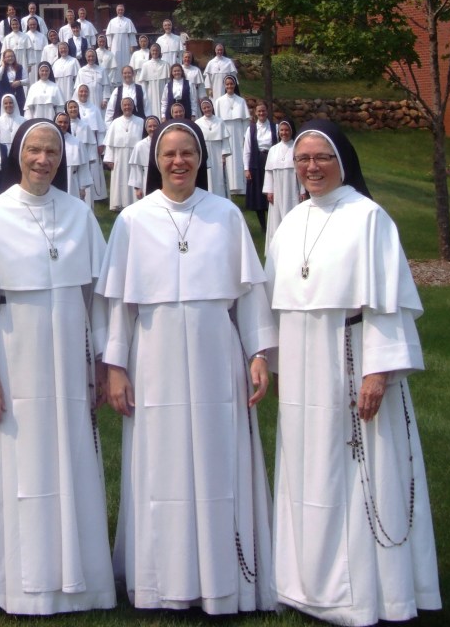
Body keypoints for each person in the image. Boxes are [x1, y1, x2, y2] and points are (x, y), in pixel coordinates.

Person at [98, 119, 278, 614]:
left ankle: (225, 580)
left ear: (201, 159)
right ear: (155, 162)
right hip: (152, 355)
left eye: (188, 154)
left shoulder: (225, 215)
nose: (179, 162)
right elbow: (119, 305)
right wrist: (115, 366)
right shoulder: (133, 220)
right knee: (160, 463)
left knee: (220, 461)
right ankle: (160, 582)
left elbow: (249, 295)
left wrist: (258, 353)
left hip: (216, 351)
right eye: (169, 154)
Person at [266, 120, 441, 626]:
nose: (312, 167)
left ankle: (370, 594)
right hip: (303, 365)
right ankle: (306, 585)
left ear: (343, 162)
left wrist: (377, 372)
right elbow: (276, 301)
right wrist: (274, 362)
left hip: (351, 358)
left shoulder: (370, 218)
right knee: (308, 471)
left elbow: (387, 302)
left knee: (363, 468)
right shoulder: (291, 220)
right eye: (303, 159)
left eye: (322, 158)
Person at [0, 121, 116, 615]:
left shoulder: (80, 215)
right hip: (14, 358)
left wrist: (103, 364)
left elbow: (96, 297)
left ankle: (81, 579)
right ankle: (19, 582)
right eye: (34, 150)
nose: (43, 160)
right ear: (19, 154)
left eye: (52, 152)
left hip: (70, 356)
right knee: (19, 464)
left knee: (73, 457)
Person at [262, 119, 303, 254]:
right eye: (282, 130)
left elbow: (301, 172)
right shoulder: (273, 149)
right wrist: (269, 190)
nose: (284, 133)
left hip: (292, 189)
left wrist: (302, 190)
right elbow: (269, 172)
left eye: (287, 130)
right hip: (277, 189)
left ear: (291, 131)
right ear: (278, 132)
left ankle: (294, 248)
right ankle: (276, 250)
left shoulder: (297, 148)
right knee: (276, 219)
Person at [103, 95, 143, 211]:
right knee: (119, 181)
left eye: (129, 104)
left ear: (133, 106)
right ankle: (118, 204)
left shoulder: (140, 121)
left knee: (134, 178)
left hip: (134, 155)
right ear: (121, 107)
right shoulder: (115, 122)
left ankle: (134, 203)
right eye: (125, 105)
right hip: (118, 157)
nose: (127, 107)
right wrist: (109, 159)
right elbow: (110, 144)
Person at [244, 100, 278, 231]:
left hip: (271, 160)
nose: (261, 113)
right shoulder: (251, 129)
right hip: (256, 162)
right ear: (255, 113)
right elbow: (246, 150)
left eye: (263, 110)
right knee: (259, 194)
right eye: (259, 111)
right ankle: (264, 227)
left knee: (272, 191)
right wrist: (247, 168)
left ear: (267, 111)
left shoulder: (275, 127)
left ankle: (273, 223)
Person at [215, 74, 250, 194]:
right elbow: (217, 120)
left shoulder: (241, 101)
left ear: (235, 85)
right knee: (228, 159)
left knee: (239, 158)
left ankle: (240, 187)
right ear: (224, 86)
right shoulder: (219, 101)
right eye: (227, 84)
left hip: (238, 131)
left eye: (231, 84)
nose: (229, 86)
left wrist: (246, 135)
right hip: (225, 131)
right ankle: (229, 186)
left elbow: (245, 120)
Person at [195, 97, 232, 198]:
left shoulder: (219, 122)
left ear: (212, 107)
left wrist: (224, 155)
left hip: (217, 152)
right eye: (204, 108)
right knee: (207, 175)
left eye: (208, 107)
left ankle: (220, 197)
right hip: (205, 151)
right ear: (201, 109)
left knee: (219, 177)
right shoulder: (198, 123)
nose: (207, 109)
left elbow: (224, 140)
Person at [54, 110, 93, 203]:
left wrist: (82, 188)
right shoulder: (49, 141)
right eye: (60, 122)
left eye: (65, 122)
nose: (63, 125)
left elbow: (83, 167)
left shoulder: (76, 142)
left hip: (72, 182)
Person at [105, 3, 138, 69]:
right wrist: (109, 46)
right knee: (115, 60)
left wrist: (132, 46)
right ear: (116, 10)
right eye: (119, 10)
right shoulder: (112, 21)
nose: (120, 11)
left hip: (125, 44)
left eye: (121, 10)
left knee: (126, 59)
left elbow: (131, 35)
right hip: (115, 45)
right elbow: (109, 35)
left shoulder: (128, 21)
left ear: (124, 10)